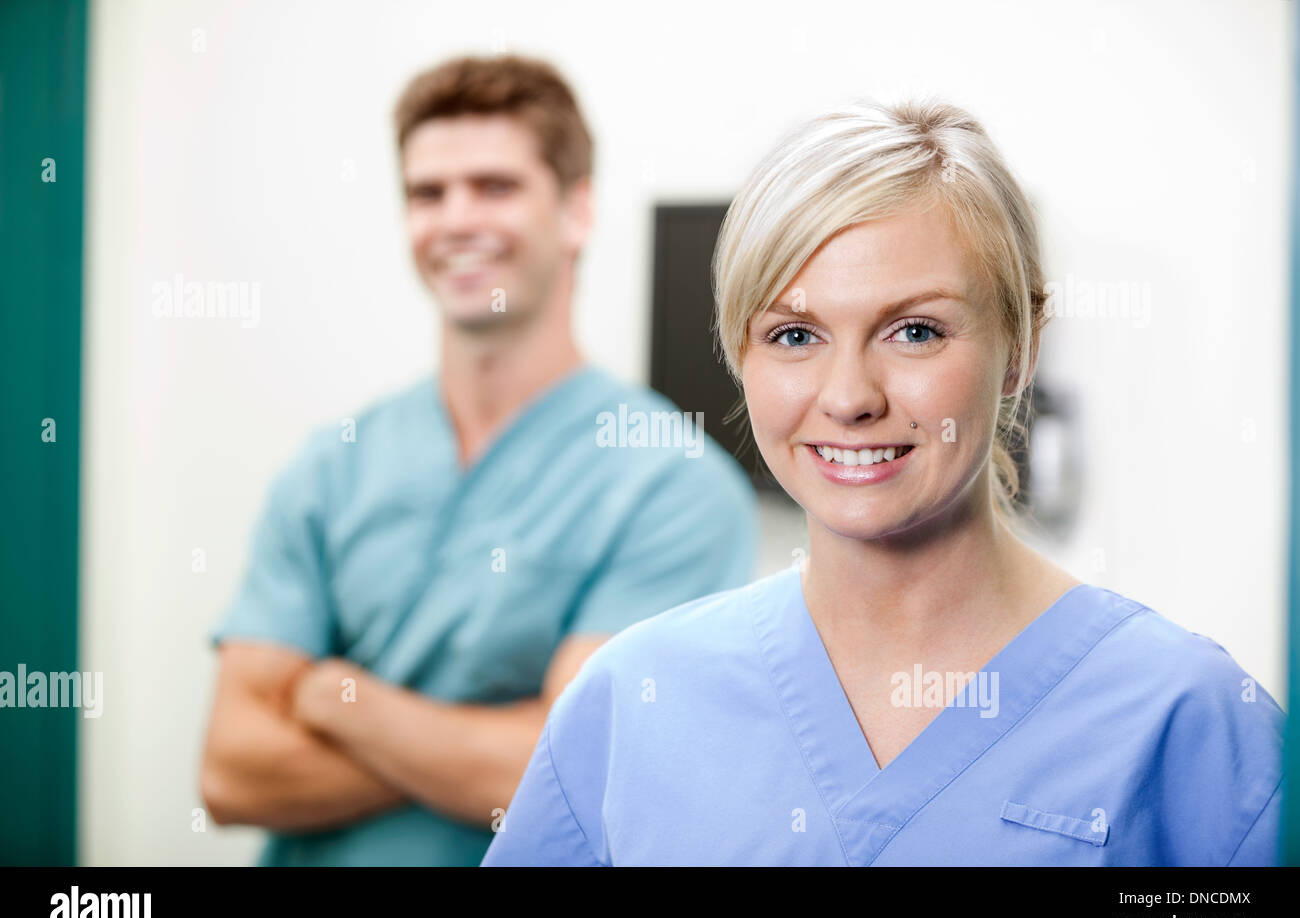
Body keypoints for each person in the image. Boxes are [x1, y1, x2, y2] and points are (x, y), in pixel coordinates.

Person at [480, 99, 1285, 866]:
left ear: (1023, 348)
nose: (849, 397)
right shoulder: (634, 703)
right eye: (794, 334)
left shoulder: (1186, 722)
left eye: (915, 331)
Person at [198, 54, 757, 866]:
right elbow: (230, 771)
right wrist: (493, 745)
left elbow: (587, 775)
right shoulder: (333, 466)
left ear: (576, 211)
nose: (456, 219)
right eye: (428, 193)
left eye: (495, 186)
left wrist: (339, 703)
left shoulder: (671, 483)